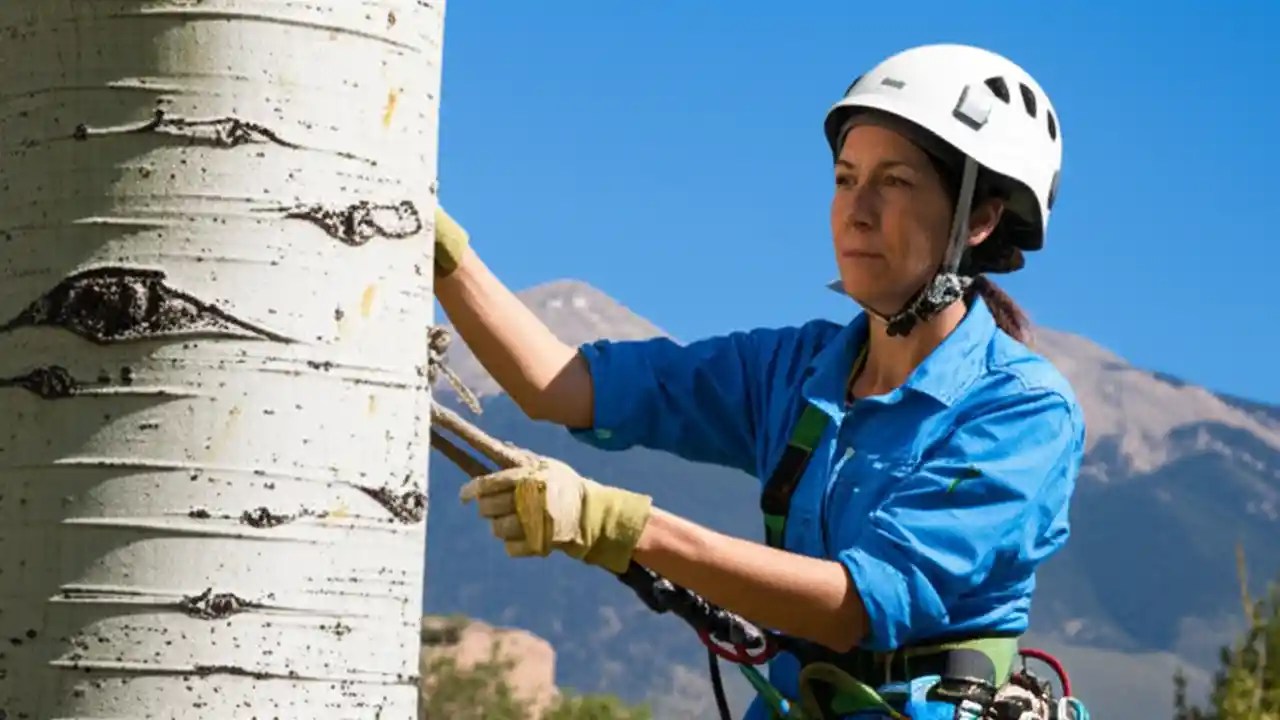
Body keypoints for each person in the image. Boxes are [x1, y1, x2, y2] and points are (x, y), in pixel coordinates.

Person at [434, 43, 1087, 720]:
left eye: (894, 182)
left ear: (979, 218)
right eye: (844, 178)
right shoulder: (794, 370)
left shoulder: (1021, 411)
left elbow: (854, 607)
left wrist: (621, 526)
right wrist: (442, 254)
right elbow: (560, 385)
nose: (856, 210)